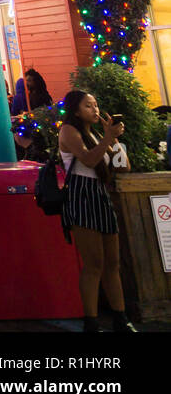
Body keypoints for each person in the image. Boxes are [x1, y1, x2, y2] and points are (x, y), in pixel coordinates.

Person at [58, 89, 133, 332]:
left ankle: (121, 319)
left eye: (96, 104)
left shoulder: (97, 134)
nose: (95, 109)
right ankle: (91, 322)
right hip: (82, 197)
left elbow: (123, 167)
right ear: (76, 110)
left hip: (101, 196)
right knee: (94, 264)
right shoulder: (69, 131)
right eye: (89, 105)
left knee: (112, 263)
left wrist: (115, 139)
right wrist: (107, 139)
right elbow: (88, 160)